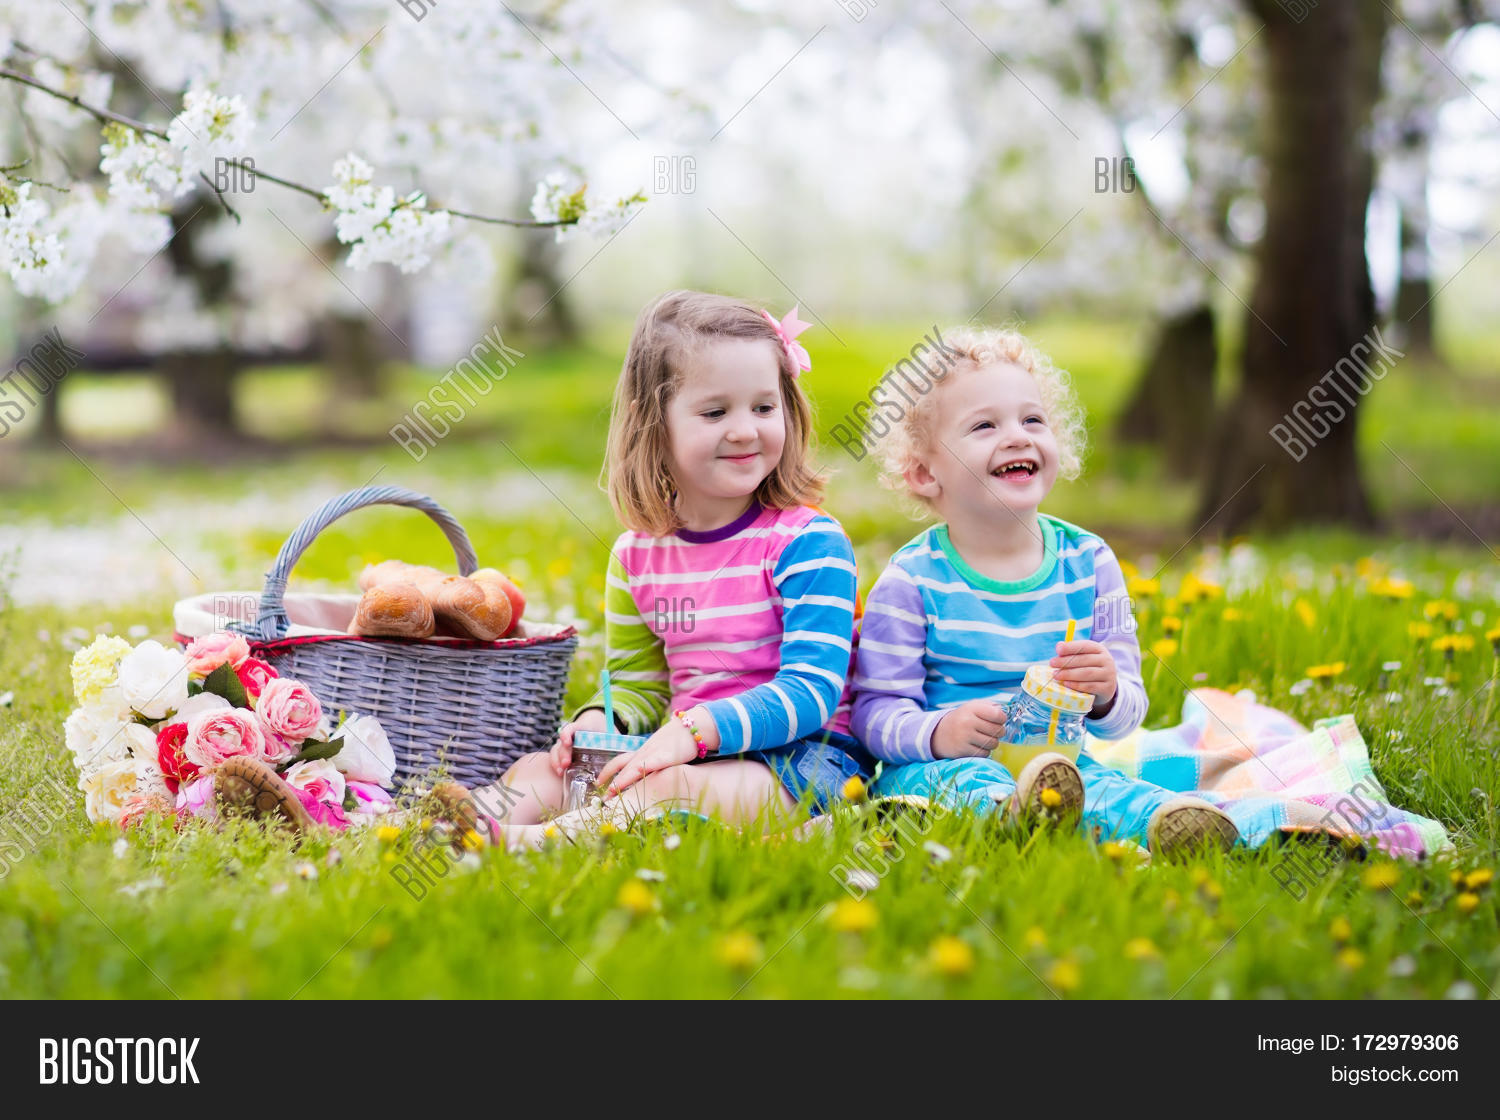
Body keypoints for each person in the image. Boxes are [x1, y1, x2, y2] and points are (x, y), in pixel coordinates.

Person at [439, 291, 871, 848]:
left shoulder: (808, 543)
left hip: (804, 764)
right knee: (539, 773)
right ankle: (442, 832)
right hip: (683, 747)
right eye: (716, 412)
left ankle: (526, 848)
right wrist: (606, 721)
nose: (745, 429)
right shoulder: (636, 556)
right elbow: (641, 685)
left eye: (764, 408)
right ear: (654, 426)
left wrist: (693, 733)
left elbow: (812, 692)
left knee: (667, 790)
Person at [851, 326, 1238, 857]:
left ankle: (1165, 824)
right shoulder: (911, 581)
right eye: (984, 425)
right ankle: (1018, 816)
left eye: (1033, 420)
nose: (1017, 436)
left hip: (1065, 763)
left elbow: (1128, 714)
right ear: (924, 473)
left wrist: (1106, 692)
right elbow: (873, 715)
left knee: (1106, 788)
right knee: (966, 790)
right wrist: (940, 732)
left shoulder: (1091, 563)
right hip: (941, 769)